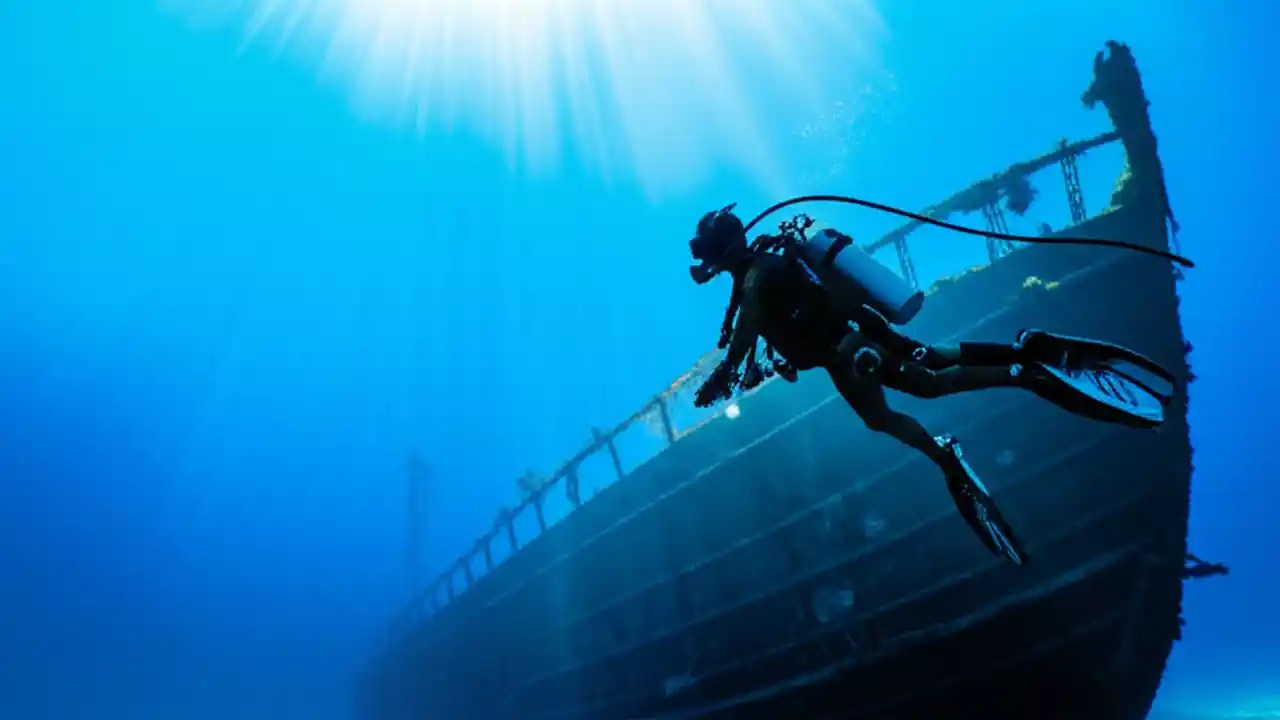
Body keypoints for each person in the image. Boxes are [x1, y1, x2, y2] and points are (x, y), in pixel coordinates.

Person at [686, 206, 1174, 564]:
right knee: (930, 363)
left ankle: (1009, 387)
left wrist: (716, 385)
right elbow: (762, 335)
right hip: (860, 330)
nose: (704, 263)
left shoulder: (754, 282)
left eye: (704, 253)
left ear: (718, 254)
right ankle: (1023, 351)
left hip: (849, 352)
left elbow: (740, 347)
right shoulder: (767, 265)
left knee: (915, 393)